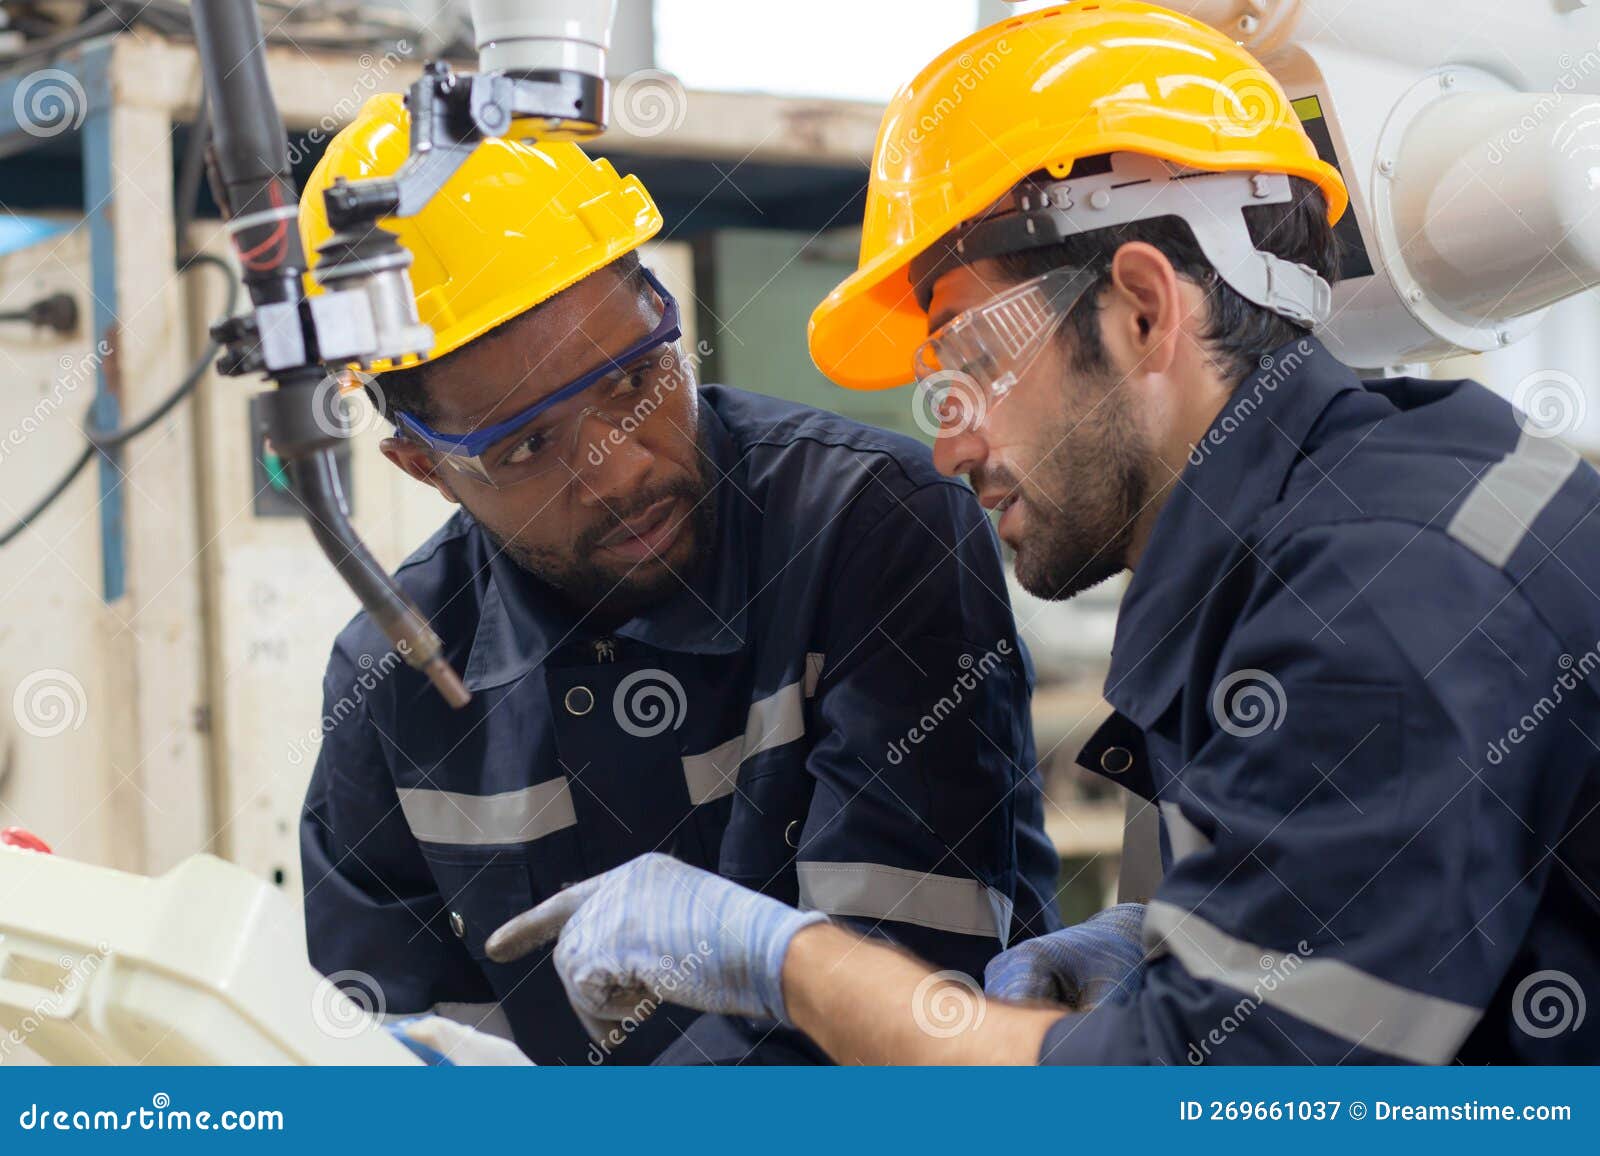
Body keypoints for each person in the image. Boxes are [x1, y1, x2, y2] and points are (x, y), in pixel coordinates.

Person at [482, 0, 1600, 1064]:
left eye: (971, 363)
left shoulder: (1380, 594)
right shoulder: (1365, 510)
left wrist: (785, 961)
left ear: (1146, 309)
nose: (948, 447)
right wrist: (1178, 951)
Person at [296, 93, 1065, 1066]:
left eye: (629, 379)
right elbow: (377, 1049)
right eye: (528, 444)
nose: (619, 467)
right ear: (421, 464)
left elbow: (909, 1019)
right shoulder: (395, 674)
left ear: (663, 313)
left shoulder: (867, 528)